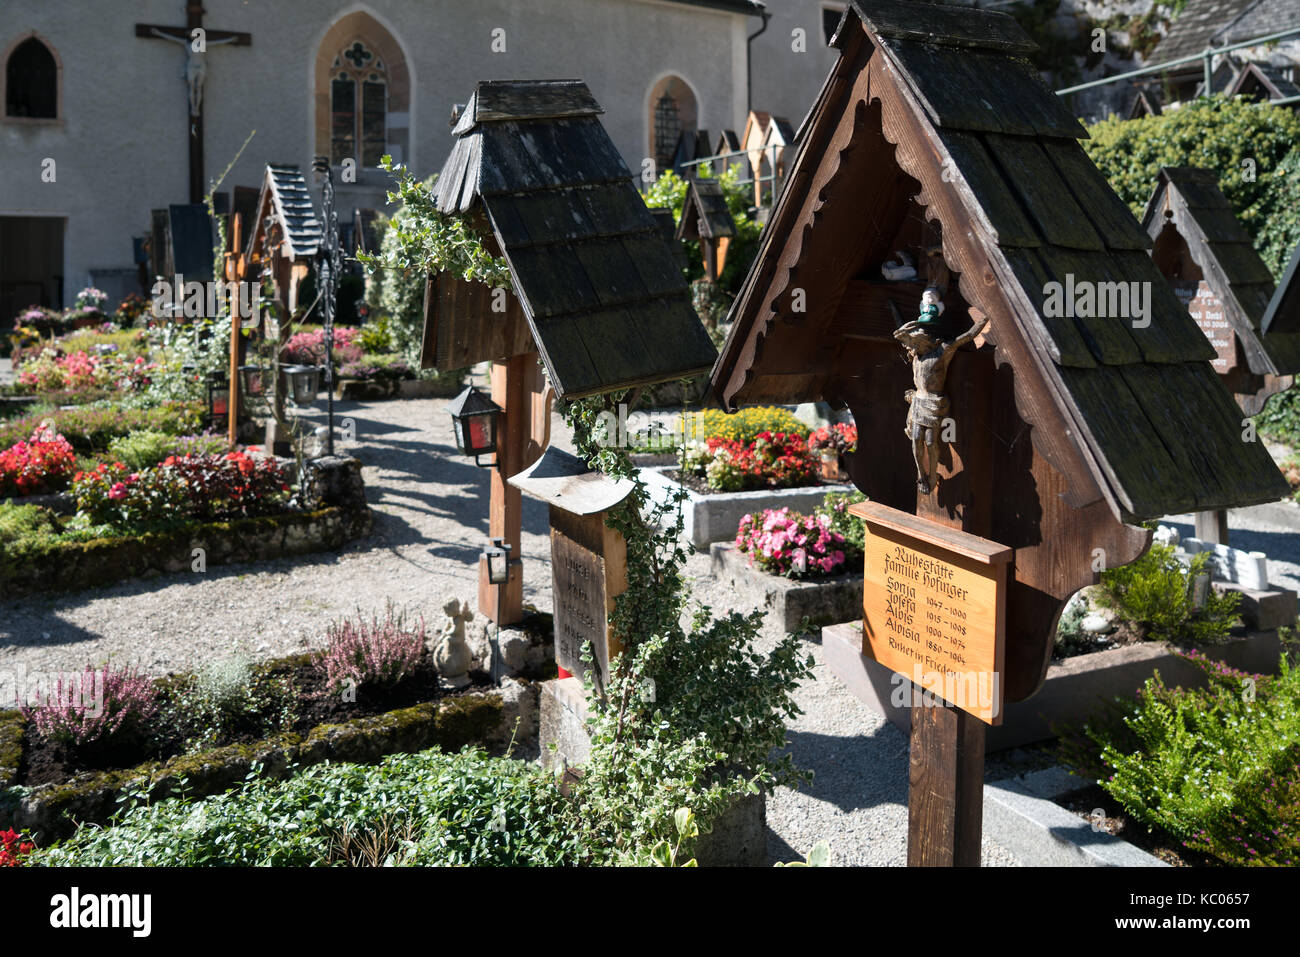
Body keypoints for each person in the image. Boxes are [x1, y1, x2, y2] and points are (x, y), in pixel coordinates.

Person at [893, 312, 990, 493]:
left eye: (909, 343)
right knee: (915, 439)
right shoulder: (916, 357)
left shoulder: (942, 351)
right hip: (918, 402)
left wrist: (985, 318)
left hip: (934, 402)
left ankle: (932, 475)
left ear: (919, 341)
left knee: (930, 441)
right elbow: (901, 330)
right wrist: (898, 320)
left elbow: (968, 336)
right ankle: (921, 474)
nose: (908, 348)